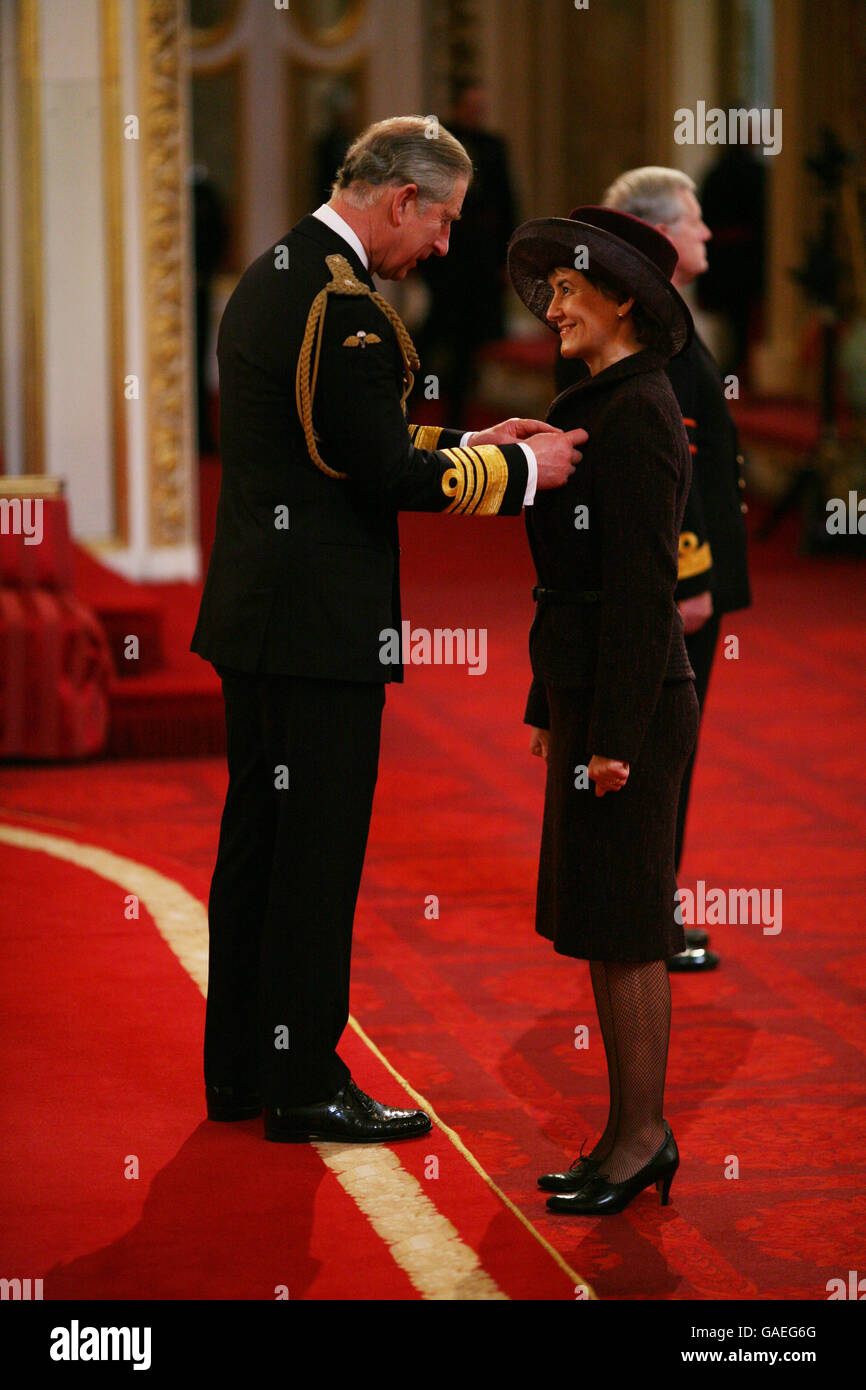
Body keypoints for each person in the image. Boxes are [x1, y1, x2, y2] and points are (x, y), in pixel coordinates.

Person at [190, 116, 585, 1146]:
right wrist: (517, 474)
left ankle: (241, 1067)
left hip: (259, 615)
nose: (445, 246)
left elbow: (335, 433)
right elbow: (377, 469)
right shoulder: (343, 301)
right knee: (313, 857)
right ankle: (306, 1081)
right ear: (400, 199)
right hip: (318, 626)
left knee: (258, 848)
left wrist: (466, 438)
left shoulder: (284, 267)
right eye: (444, 221)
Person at [508, 206, 699, 1213]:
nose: (552, 306)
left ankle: (641, 1138)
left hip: (634, 700)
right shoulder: (595, 395)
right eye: (547, 292)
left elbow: (637, 592)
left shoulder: (639, 410)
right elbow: (565, 580)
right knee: (598, 916)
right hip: (590, 692)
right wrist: (553, 703)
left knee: (627, 925)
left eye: (570, 290)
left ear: (622, 298)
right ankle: (621, 1132)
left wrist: (614, 740)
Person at [556, 168, 752, 971]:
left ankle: (655, 902)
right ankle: (650, 913)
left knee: (669, 756)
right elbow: (679, 462)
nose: (707, 235)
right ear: (662, 236)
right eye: (696, 224)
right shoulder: (641, 343)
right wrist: (694, 576)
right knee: (656, 750)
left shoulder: (666, 325)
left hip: (678, 571)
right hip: (673, 576)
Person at [414, 81, 517, 419]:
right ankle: (411, 404)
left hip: (481, 262)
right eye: (470, 105)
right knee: (434, 336)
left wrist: (507, 258)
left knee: (468, 344)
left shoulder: (493, 146)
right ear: (458, 107)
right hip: (446, 259)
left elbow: (507, 203)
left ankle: (456, 413)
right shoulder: (439, 144)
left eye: (480, 107)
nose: (476, 112)